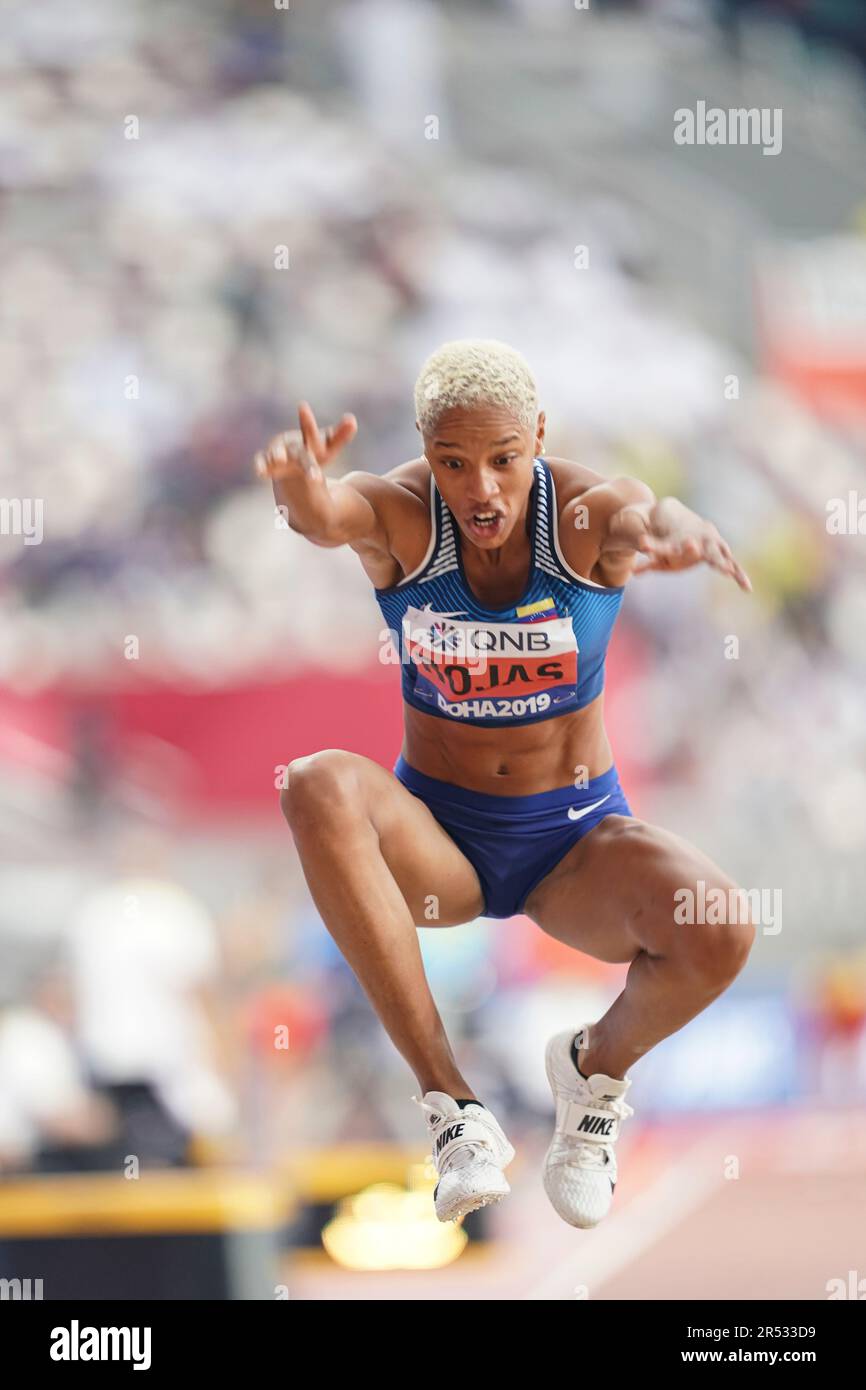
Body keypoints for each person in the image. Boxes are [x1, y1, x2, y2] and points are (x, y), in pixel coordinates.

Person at [255, 338, 756, 1228]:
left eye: (502, 460)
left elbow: (646, 517)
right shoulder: (406, 516)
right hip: (441, 848)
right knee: (314, 783)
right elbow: (332, 514)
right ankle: (454, 1113)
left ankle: (593, 1075)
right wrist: (299, 495)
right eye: (453, 462)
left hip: (574, 849)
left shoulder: (587, 518)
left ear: (538, 437)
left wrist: (676, 529)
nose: (480, 489)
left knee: (720, 924)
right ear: (425, 450)